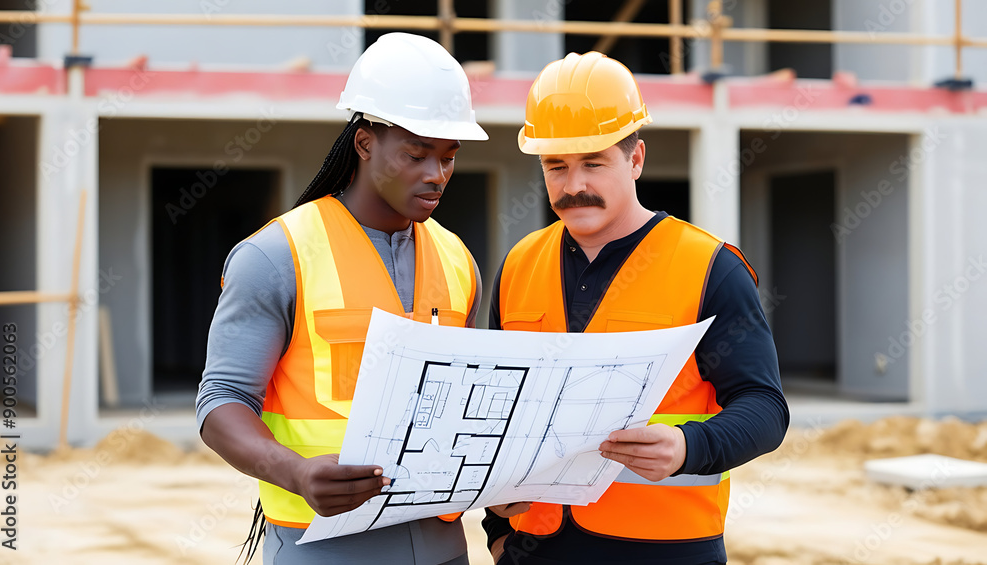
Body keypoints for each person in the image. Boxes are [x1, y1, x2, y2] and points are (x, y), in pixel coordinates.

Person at [482, 51, 789, 565]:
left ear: (636, 159)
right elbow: (498, 410)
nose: (573, 185)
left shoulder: (709, 267)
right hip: (534, 550)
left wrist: (689, 447)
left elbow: (765, 408)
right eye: (556, 166)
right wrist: (497, 533)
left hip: (667, 551)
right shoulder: (519, 264)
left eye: (593, 163)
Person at [196, 33, 487, 565]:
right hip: (322, 546)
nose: (436, 175)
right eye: (416, 154)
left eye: (449, 157)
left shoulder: (459, 261)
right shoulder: (276, 256)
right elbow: (221, 403)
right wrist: (296, 472)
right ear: (365, 143)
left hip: (443, 546)